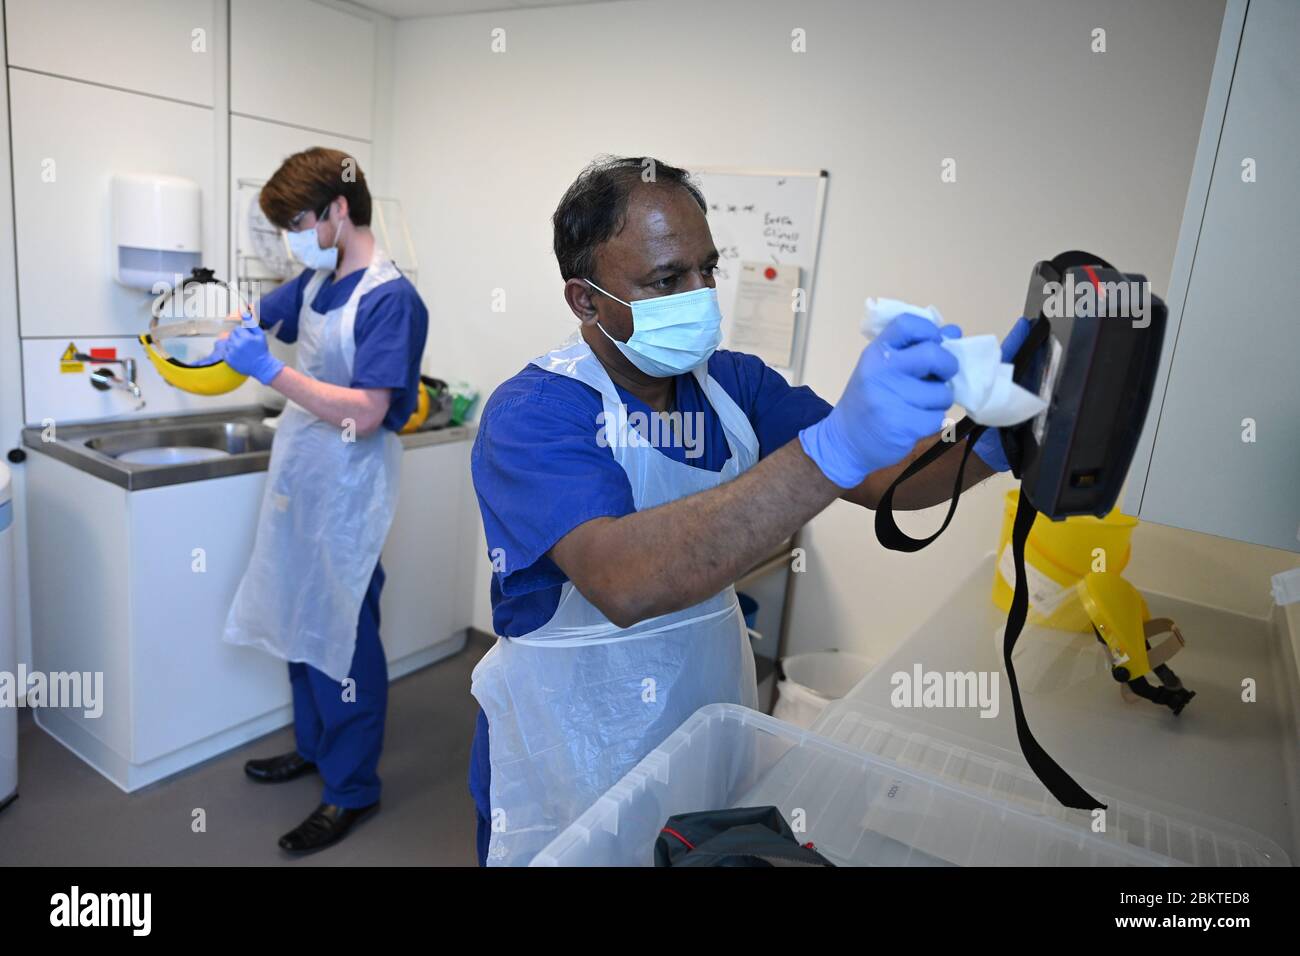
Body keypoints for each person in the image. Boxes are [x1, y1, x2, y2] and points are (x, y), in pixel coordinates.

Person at [467, 155, 1028, 865]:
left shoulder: (734, 384)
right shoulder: (534, 413)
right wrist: (833, 448)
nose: (702, 295)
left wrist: (999, 435)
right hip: (573, 746)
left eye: (708, 269)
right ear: (585, 300)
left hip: (706, 723)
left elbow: (891, 480)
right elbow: (624, 579)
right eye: (668, 280)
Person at [219, 147, 429, 854]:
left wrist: (269, 370)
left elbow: (366, 413)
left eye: (299, 222)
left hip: (348, 497)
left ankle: (351, 790)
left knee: (343, 640)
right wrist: (224, 328)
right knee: (297, 618)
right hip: (299, 486)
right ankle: (316, 748)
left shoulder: (390, 299)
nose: (292, 238)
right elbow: (256, 316)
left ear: (339, 211)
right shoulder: (316, 279)